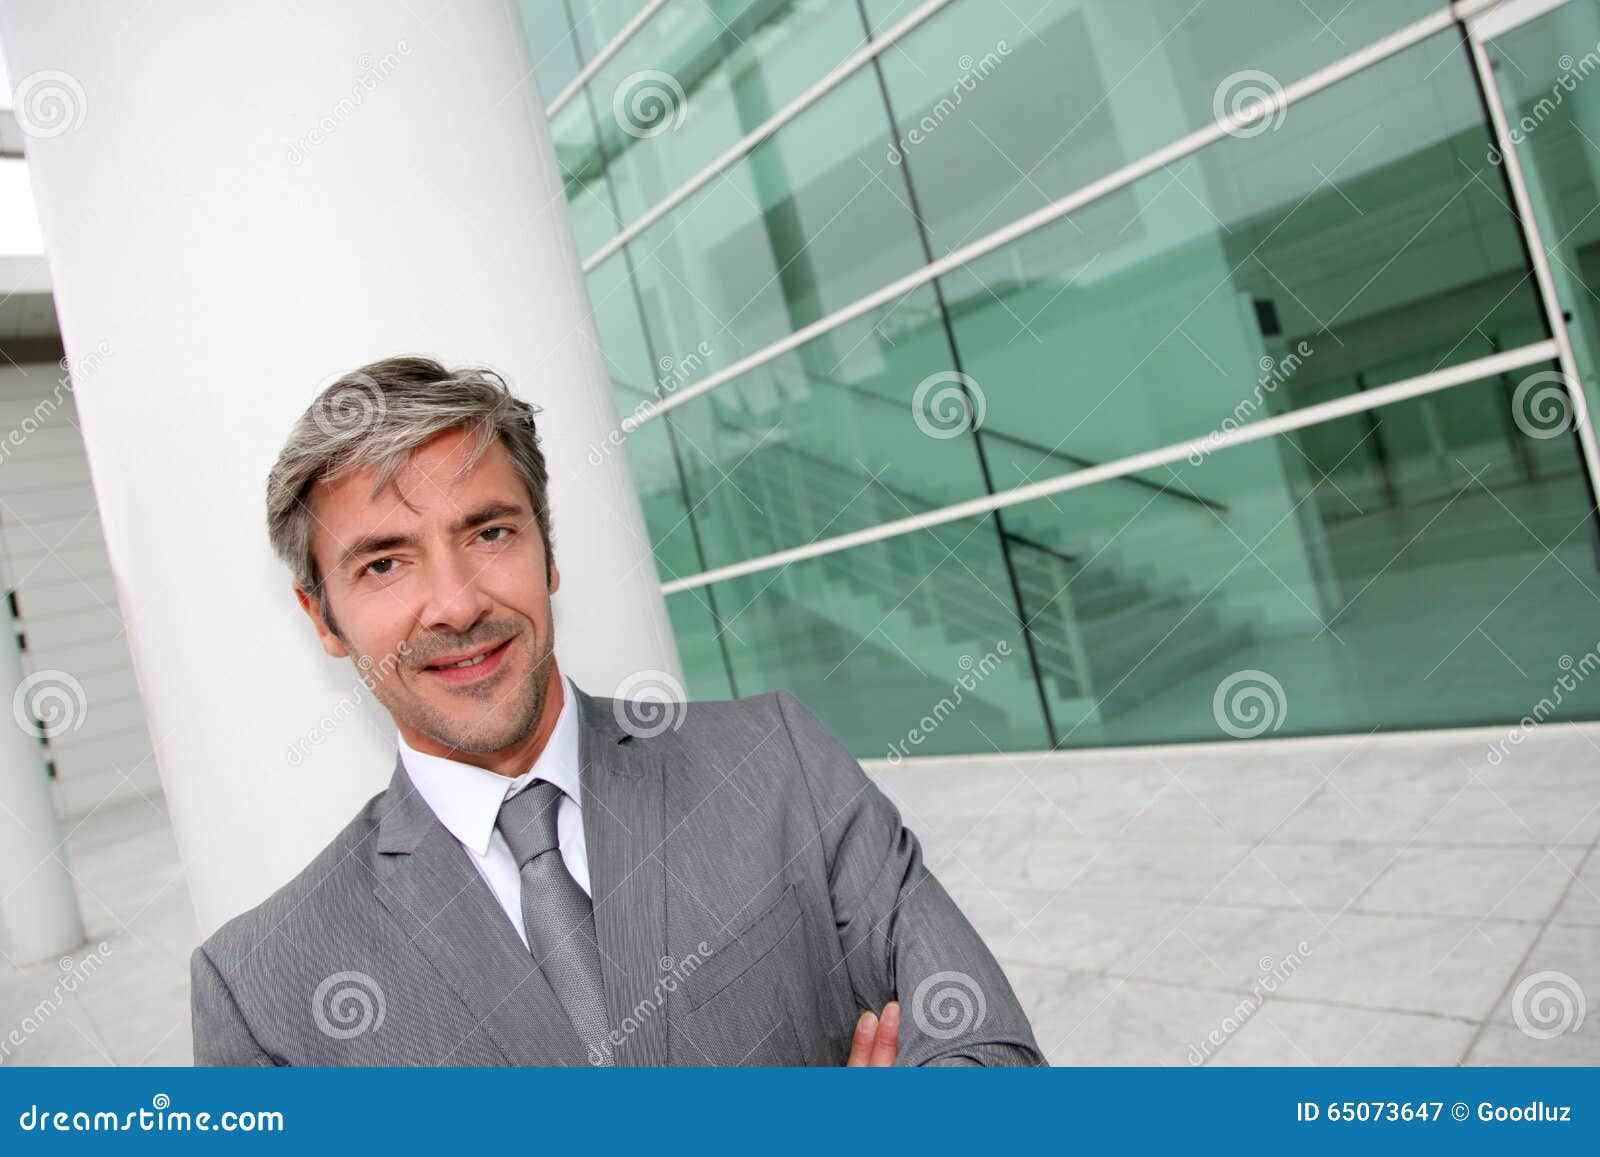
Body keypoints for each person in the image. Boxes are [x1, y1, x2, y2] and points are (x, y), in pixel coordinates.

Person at [189, 356, 1044, 1067]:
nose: (455, 604)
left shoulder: (776, 760)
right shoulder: (261, 990)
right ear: (322, 617)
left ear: (548, 553)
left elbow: (989, 1048)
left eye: (489, 534)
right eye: (383, 564)